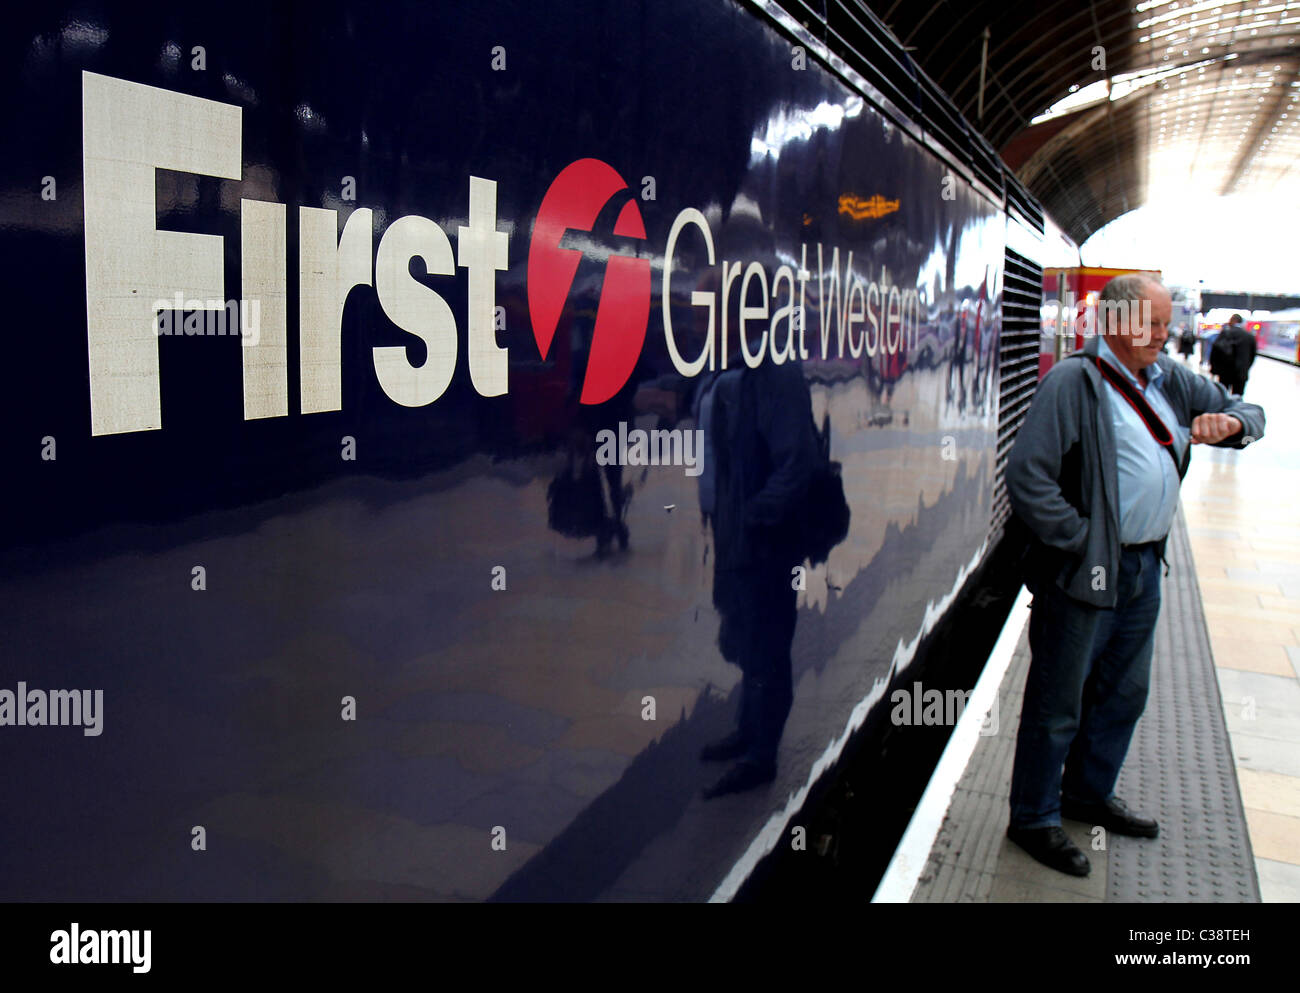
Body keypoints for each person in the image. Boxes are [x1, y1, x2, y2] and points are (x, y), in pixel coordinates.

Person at [1004, 274, 1265, 876]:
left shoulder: (1169, 379)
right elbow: (1029, 477)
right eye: (1150, 324)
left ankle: (1087, 795)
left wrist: (1233, 425)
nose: (1163, 335)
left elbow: (1248, 409)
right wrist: (1082, 542)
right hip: (1088, 571)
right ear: (1117, 324)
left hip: (1146, 566)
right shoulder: (1075, 382)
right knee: (1059, 698)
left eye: (1166, 323)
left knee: (1125, 691)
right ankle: (1035, 818)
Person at [1210, 313, 1258, 397]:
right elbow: (1252, 356)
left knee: (1222, 397)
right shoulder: (1249, 336)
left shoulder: (1225, 334)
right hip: (1241, 373)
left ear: (1233, 321)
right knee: (1237, 398)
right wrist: (1245, 368)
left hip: (1225, 372)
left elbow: (1215, 352)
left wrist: (1214, 369)